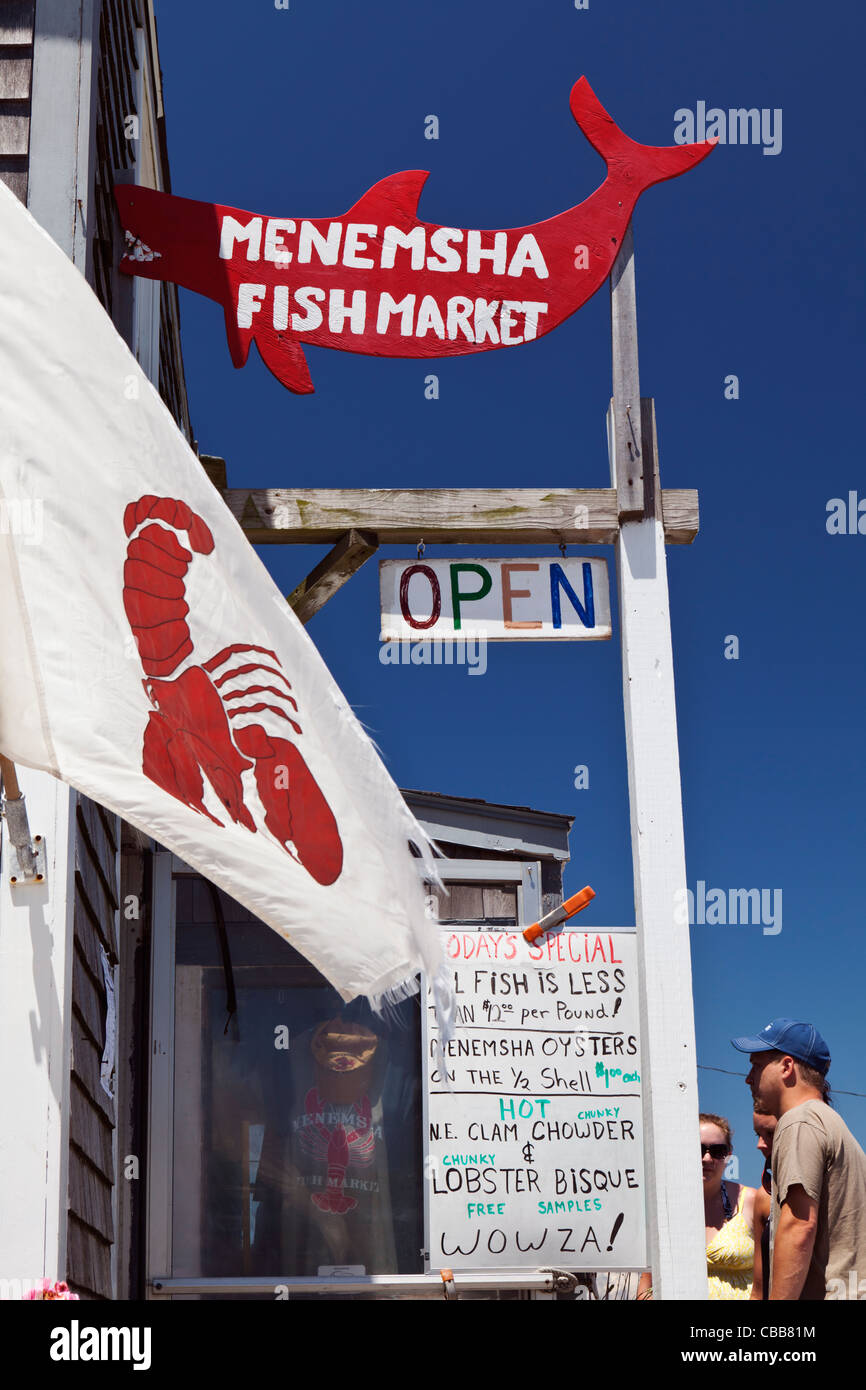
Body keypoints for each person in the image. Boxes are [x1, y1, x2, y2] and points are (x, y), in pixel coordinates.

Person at [732, 1017, 866, 1300]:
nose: (748, 1077)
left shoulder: (799, 1122)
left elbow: (799, 1225)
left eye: (756, 1065)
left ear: (786, 1067)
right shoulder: (831, 1123)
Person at [636, 1112, 756, 1300]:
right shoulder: (663, 1206)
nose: (707, 1158)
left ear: (729, 1155)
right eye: (699, 1149)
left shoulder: (750, 1201)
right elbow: (645, 1287)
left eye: (717, 1151)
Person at [749, 1108, 777, 1300]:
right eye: (758, 1135)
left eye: (770, 1134)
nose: (760, 1145)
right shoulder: (764, 1197)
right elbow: (758, 1288)